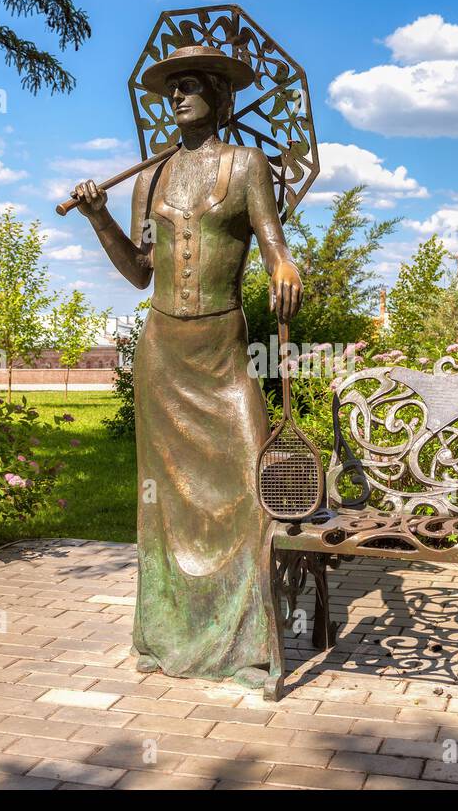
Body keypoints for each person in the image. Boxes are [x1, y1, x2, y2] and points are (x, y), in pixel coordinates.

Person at [70, 45, 302, 690]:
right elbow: (139, 273)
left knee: (246, 483)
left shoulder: (247, 164)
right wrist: (99, 217)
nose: (179, 96)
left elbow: (273, 243)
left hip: (222, 347)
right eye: (172, 88)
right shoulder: (151, 178)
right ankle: (170, 635)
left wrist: (283, 266)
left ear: (221, 98)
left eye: (192, 86)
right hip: (163, 352)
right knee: (166, 498)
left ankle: (248, 643)